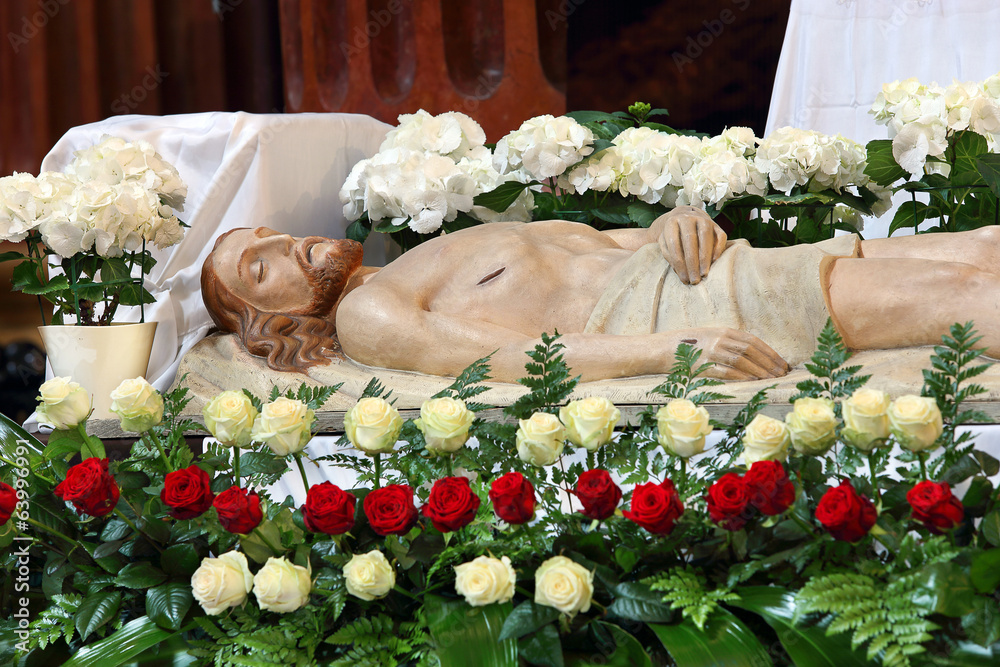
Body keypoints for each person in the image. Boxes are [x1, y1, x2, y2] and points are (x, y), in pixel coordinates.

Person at [201, 207, 1000, 382]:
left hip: (687, 270)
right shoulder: (366, 312)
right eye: (260, 270)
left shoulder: (411, 260)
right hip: (676, 309)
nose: (281, 244)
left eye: (263, 235)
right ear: (267, 316)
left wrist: (673, 224)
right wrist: (675, 348)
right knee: (964, 292)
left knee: (984, 248)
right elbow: (515, 360)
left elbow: (594, 245)